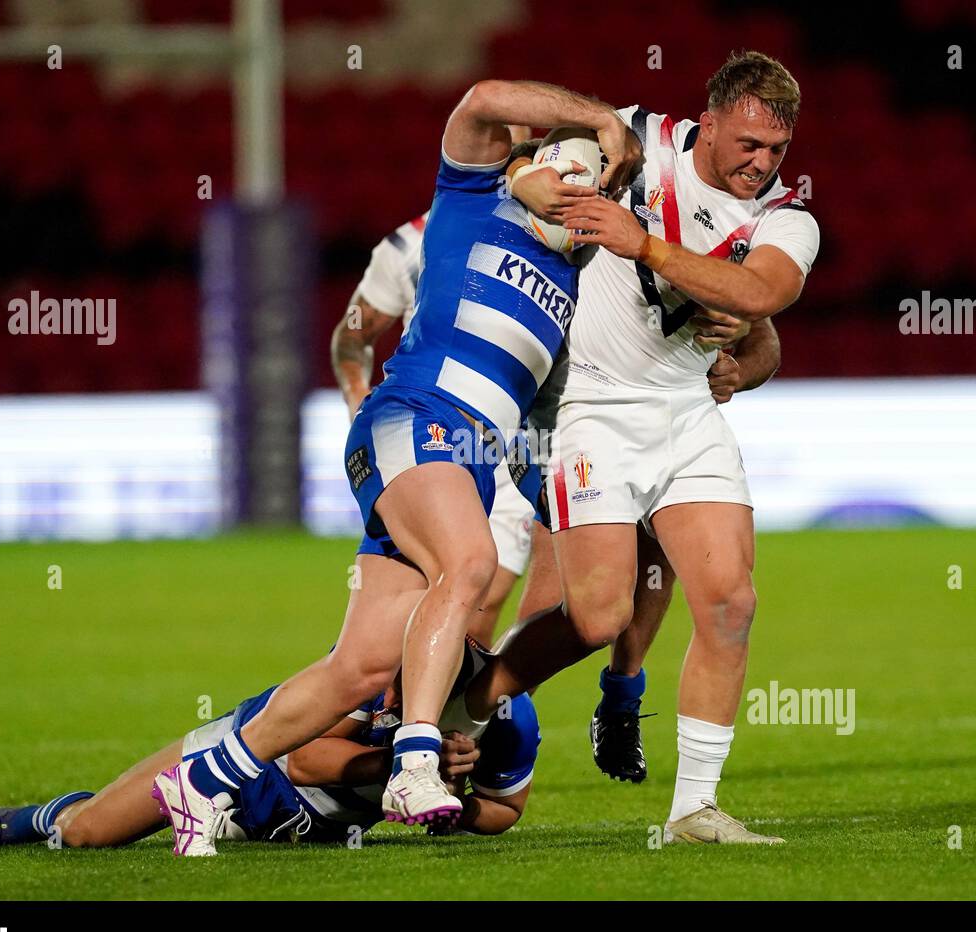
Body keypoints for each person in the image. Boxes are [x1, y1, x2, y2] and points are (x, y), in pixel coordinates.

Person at [151, 79, 641, 855]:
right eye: (566, 173)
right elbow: (482, 100)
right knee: (472, 562)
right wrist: (601, 120)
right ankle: (416, 760)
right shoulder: (474, 199)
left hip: (466, 461)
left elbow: (540, 431)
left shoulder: (572, 288)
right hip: (412, 422)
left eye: (593, 188)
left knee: (362, 665)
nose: (576, 196)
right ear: (534, 167)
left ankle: (202, 781)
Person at [501, 50, 819, 843]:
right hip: (592, 407)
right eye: (747, 145)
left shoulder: (786, 218)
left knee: (730, 601)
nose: (761, 164)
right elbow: (531, 146)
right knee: (596, 611)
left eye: (776, 151)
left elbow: (762, 299)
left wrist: (649, 251)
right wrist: (525, 173)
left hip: (686, 415)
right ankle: (468, 703)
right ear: (707, 124)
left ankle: (694, 809)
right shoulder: (637, 141)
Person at [0, 640, 539, 851]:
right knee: (89, 834)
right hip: (250, 760)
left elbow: (506, 809)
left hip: (321, 829)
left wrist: (453, 807)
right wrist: (413, 765)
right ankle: (26, 820)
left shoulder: (508, 714)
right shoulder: (376, 667)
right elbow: (302, 758)